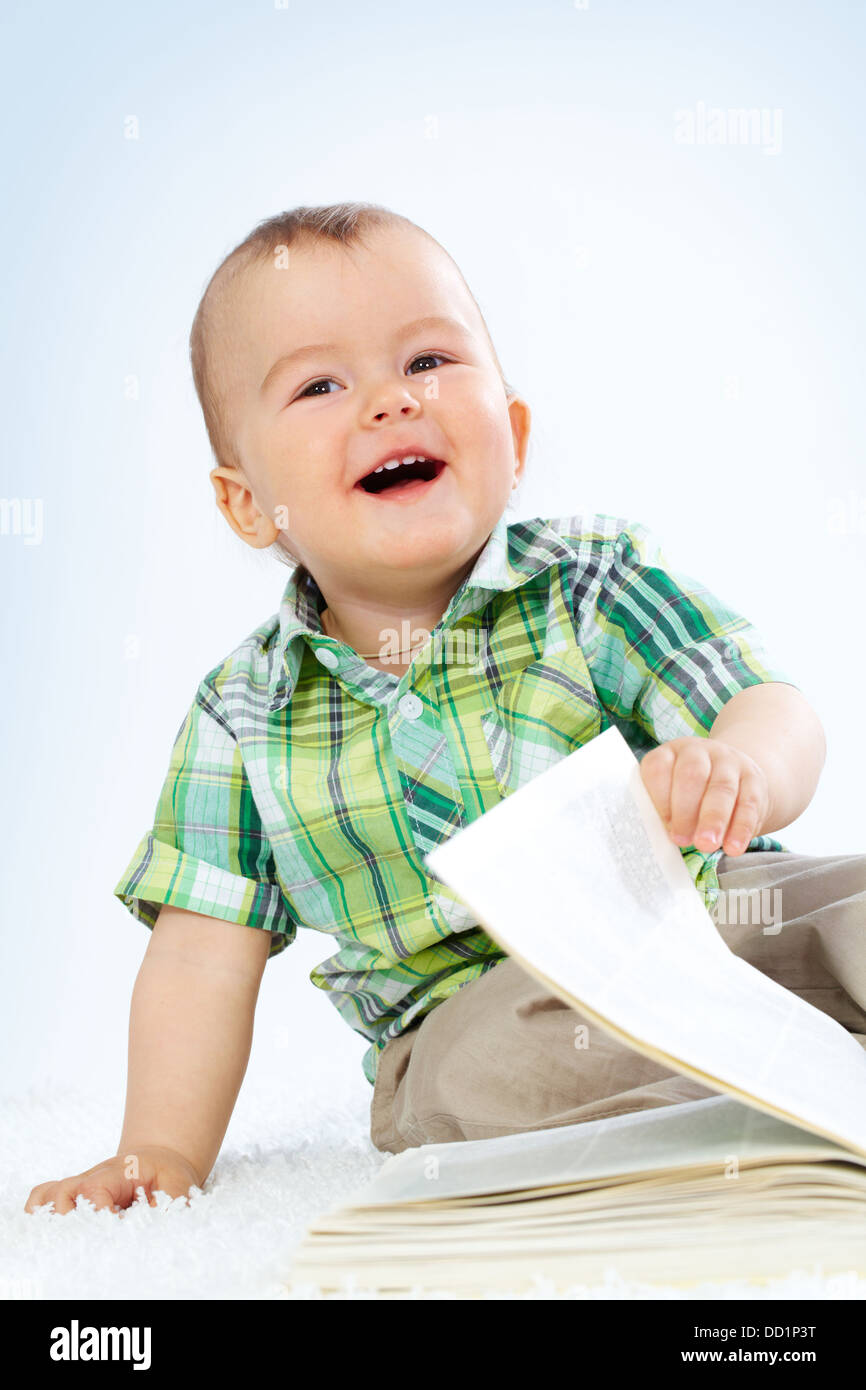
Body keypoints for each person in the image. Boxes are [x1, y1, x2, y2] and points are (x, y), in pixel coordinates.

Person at [25, 201, 863, 1212]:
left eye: (427, 361)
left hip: (699, 919)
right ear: (247, 502)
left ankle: (798, 1058)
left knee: (838, 905)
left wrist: (741, 766)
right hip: (473, 1010)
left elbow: (770, 707)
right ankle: (766, 1102)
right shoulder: (242, 714)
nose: (390, 403)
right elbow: (200, 954)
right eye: (320, 384)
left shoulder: (588, 582)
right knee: (493, 1071)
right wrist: (157, 1146)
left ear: (510, 433)